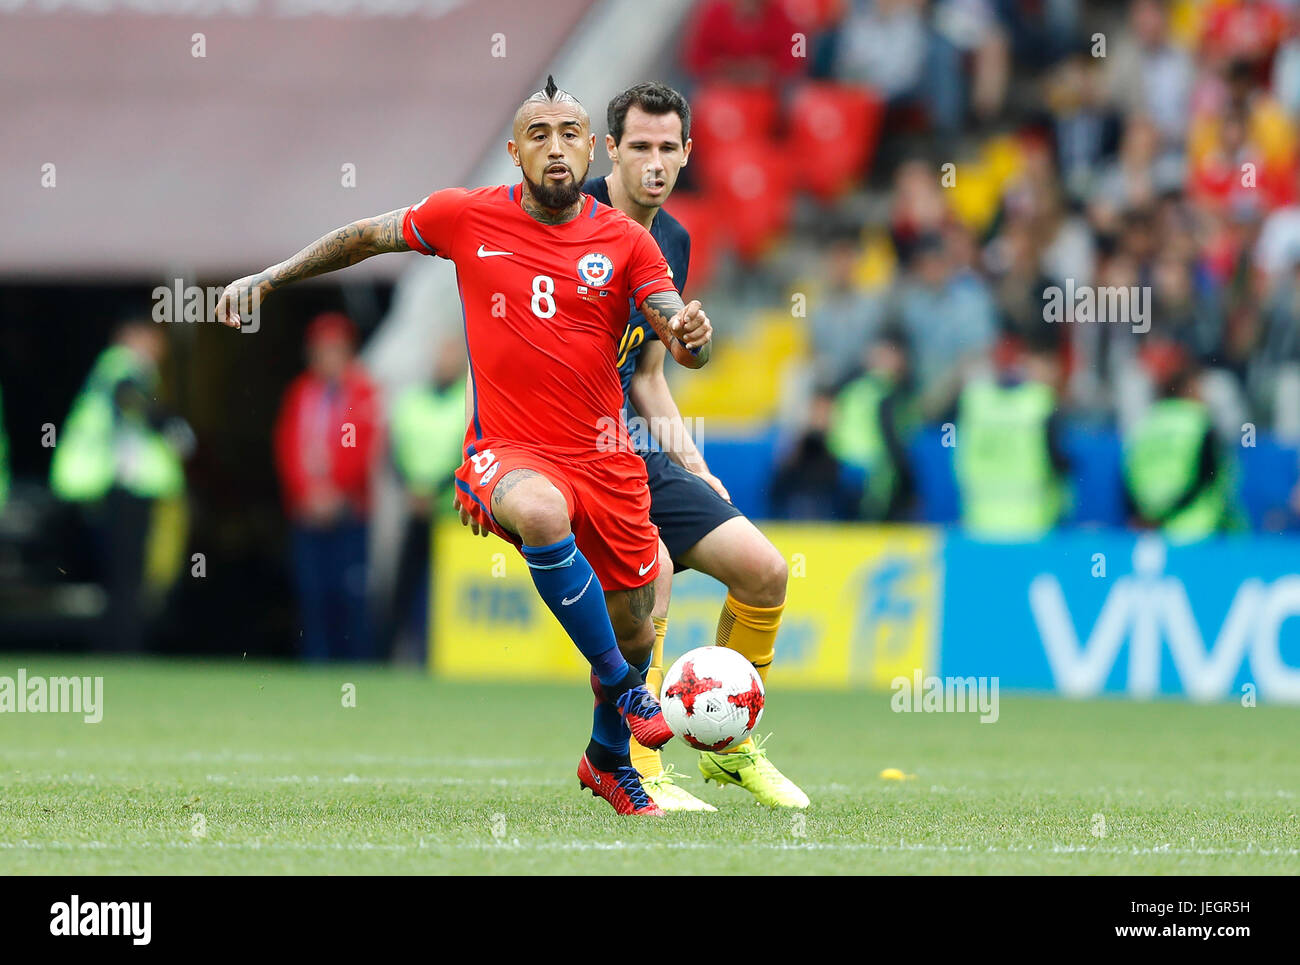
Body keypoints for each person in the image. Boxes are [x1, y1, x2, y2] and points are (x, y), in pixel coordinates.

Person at [217, 77, 713, 817]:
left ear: (591, 150)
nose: (554, 148)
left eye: (568, 134)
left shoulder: (629, 241)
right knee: (543, 515)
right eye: (537, 136)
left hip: (604, 458)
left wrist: (692, 337)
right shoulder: (463, 216)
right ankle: (626, 688)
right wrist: (272, 275)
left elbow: (676, 328)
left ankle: (608, 758)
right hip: (506, 449)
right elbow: (363, 236)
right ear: (513, 151)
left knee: (637, 619)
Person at [584, 82, 807, 810]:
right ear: (609, 150)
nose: (654, 162)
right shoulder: (568, 220)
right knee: (654, 578)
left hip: (633, 445)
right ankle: (633, 765)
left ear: (688, 153)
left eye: (667, 148)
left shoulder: (672, 241)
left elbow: (648, 373)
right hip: (568, 446)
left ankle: (726, 746)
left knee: (764, 571)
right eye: (638, 147)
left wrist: (696, 464)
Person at [50, 320, 191, 650]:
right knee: (127, 576)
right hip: (121, 489)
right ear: (132, 335)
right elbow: (129, 397)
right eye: (154, 339)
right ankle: (124, 648)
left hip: (106, 487)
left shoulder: (115, 369)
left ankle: (117, 646)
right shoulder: (122, 363)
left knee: (120, 575)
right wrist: (168, 424)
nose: (160, 348)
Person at [273, 313, 381, 662]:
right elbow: (287, 447)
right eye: (322, 350)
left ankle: (356, 668)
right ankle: (315, 665)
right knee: (312, 594)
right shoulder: (301, 392)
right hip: (308, 512)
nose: (328, 357)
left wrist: (337, 494)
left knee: (351, 594)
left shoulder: (363, 390)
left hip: (349, 511)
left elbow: (365, 449)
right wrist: (307, 494)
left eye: (335, 349)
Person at [388, 337, 467, 661]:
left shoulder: (468, 399)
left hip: (450, 513)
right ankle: (392, 656)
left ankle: (437, 657)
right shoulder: (412, 401)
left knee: (444, 593)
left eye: (450, 355)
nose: (443, 361)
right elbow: (392, 450)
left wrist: (431, 490)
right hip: (415, 509)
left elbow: (465, 452)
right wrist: (411, 487)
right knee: (402, 588)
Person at [954, 334, 1069, 541]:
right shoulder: (1040, 403)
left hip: (979, 522)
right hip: (1032, 524)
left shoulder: (974, 402)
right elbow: (1057, 461)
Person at [1123, 342, 1238, 542]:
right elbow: (1209, 477)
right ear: (1188, 389)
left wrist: (1151, 516)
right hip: (1197, 530)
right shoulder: (1199, 422)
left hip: (1152, 530)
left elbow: (1127, 473)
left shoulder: (1146, 423)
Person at [828, 327, 918, 521]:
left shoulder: (852, 389)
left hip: (844, 468)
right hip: (874, 474)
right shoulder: (884, 392)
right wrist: (909, 480)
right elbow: (891, 439)